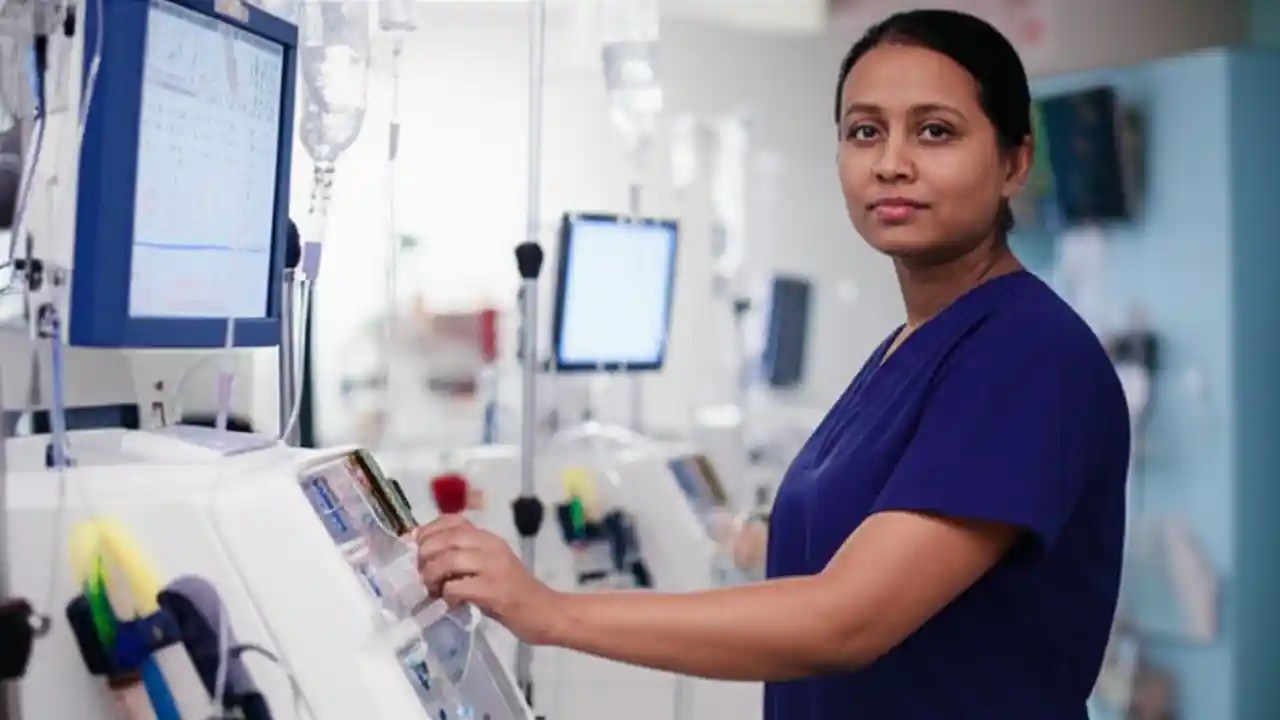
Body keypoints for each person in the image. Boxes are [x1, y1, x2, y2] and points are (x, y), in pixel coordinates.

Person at [414, 9, 1130, 719]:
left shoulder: (1029, 354)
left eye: (935, 130)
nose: (891, 162)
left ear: (1014, 161)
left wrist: (548, 612)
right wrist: (751, 536)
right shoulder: (908, 347)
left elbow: (844, 620)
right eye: (865, 131)